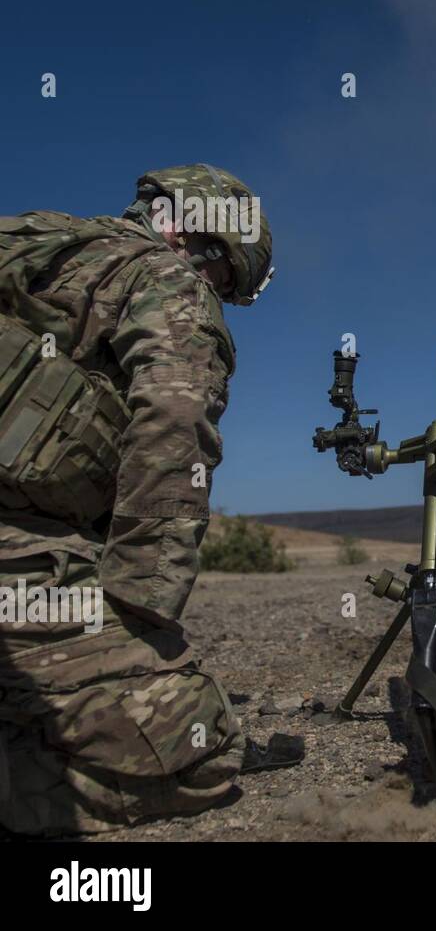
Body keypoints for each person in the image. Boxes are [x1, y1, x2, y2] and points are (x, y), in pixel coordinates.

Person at [0, 163, 298, 836]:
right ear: (190, 234)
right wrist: (141, 605)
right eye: (223, 276)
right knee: (198, 745)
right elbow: (174, 427)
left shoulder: (33, 245)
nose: (215, 291)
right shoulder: (167, 281)